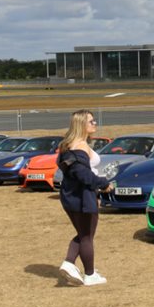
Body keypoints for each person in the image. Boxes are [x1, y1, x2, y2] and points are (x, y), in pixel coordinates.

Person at [57, 110, 114, 286]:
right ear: (81, 124)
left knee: (83, 235)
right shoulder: (79, 147)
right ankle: (85, 273)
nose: (95, 123)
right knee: (87, 236)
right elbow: (83, 175)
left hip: (71, 195)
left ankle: (80, 268)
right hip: (82, 196)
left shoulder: (67, 145)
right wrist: (104, 184)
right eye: (91, 121)